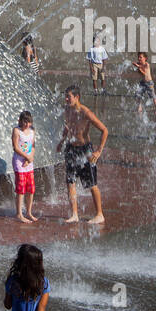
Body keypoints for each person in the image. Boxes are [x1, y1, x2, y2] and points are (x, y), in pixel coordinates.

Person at [56, 85, 108, 225]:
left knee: (91, 184)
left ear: (77, 97)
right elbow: (68, 127)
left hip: (86, 151)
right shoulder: (67, 109)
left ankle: (99, 214)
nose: (66, 99)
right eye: (65, 96)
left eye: (69, 96)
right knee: (70, 181)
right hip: (71, 148)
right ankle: (74, 214)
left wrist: (99, 151)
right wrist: (62, 141)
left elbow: (104, 130)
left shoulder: (86, 112)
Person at [12, 111, 38, 223]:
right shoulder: (16, 130)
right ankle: (19, 214)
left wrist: (30, 158)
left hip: (28, 162)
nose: (27, 125)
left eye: (29, 122)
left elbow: (33, 146)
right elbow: (15, 147)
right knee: (21, 188)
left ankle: (29, 212)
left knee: (31, 188)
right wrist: (26, 157)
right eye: (25, 122)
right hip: (19, 162)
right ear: (20, 121)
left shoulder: (32, 131)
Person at [132, 51, 156, 124]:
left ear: (145, 58)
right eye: (138, 57)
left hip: (149, 83)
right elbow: (142, 74)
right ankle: (139, 106)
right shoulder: (140, 66)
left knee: (153, 95)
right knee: (138, 94)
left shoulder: (147, 64)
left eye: (141, 57)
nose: (139, 59)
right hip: (143, 82)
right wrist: (139, 69)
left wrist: (138, 66)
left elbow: (144, 71)